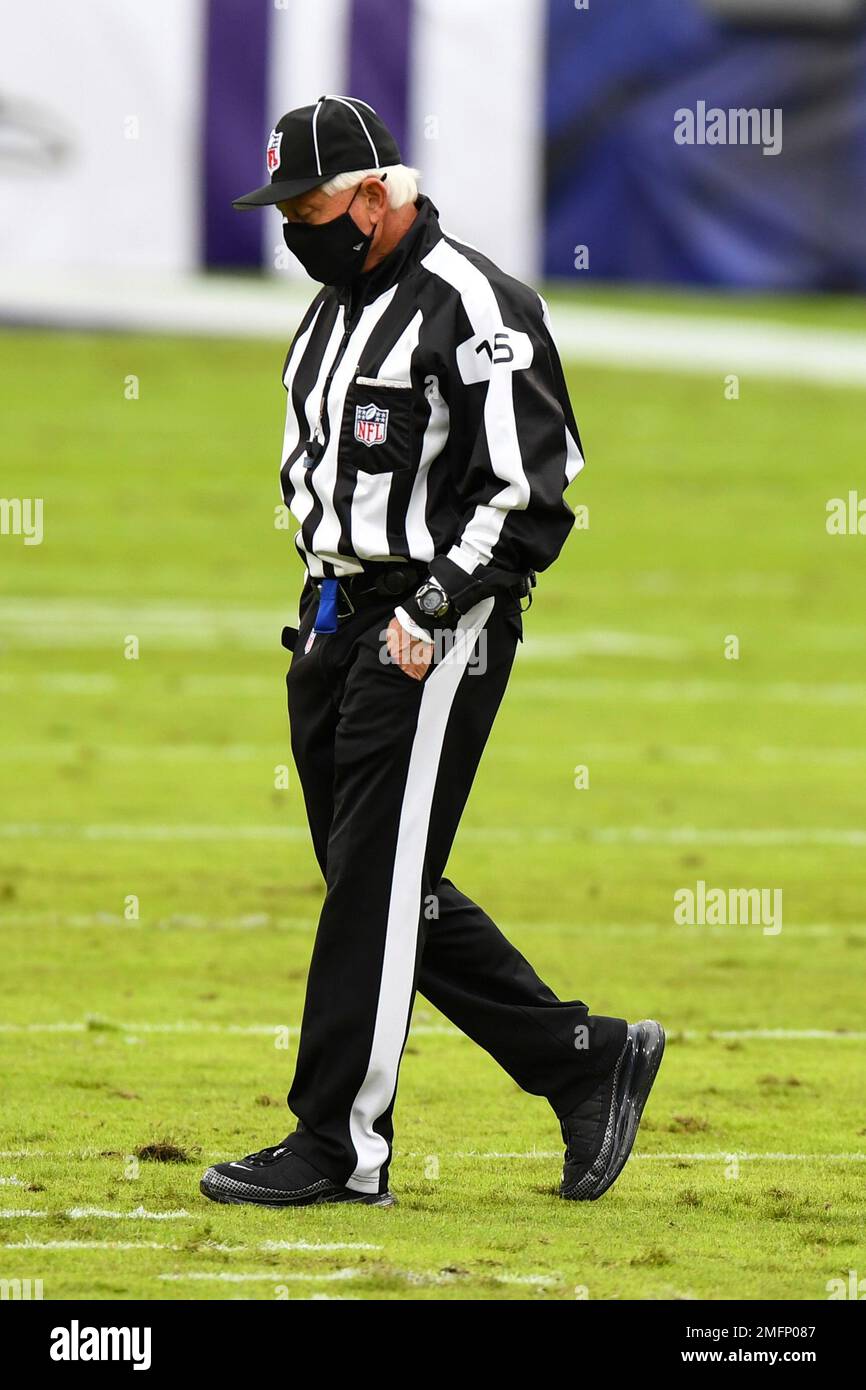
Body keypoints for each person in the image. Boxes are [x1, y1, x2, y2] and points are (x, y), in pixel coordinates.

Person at [200, 96, 664, 1210]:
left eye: (307, 204)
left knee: (371, 883)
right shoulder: (329, 307)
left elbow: (532, 493)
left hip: (427, 628)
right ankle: (581, 1057)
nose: (293, 226)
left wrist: (433, 608)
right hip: (329, 620)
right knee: (376, 878)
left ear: (374, 191)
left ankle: (337, 1144)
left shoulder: (474, 305)